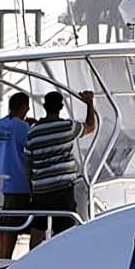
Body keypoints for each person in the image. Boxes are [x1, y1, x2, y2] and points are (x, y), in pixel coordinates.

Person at [26, 89, 99, 240]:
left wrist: (32, 189)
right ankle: (62, 260)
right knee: (64, 230)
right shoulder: (67, 127)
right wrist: (89, 103)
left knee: (38, 229)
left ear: (45, 107)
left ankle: (33, 260)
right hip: (62, 189)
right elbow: (91, 126)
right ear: (61, 107)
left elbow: (28, 163)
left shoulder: (33, 132)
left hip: (41, 189)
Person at [0, 91, 34, 261]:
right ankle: (5, 262)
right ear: (24, 107)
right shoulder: (23, 128)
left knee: (3, 225)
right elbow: (31, 150)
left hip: (2, 182)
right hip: (19, 182)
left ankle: (0, 258)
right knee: (14, 226)